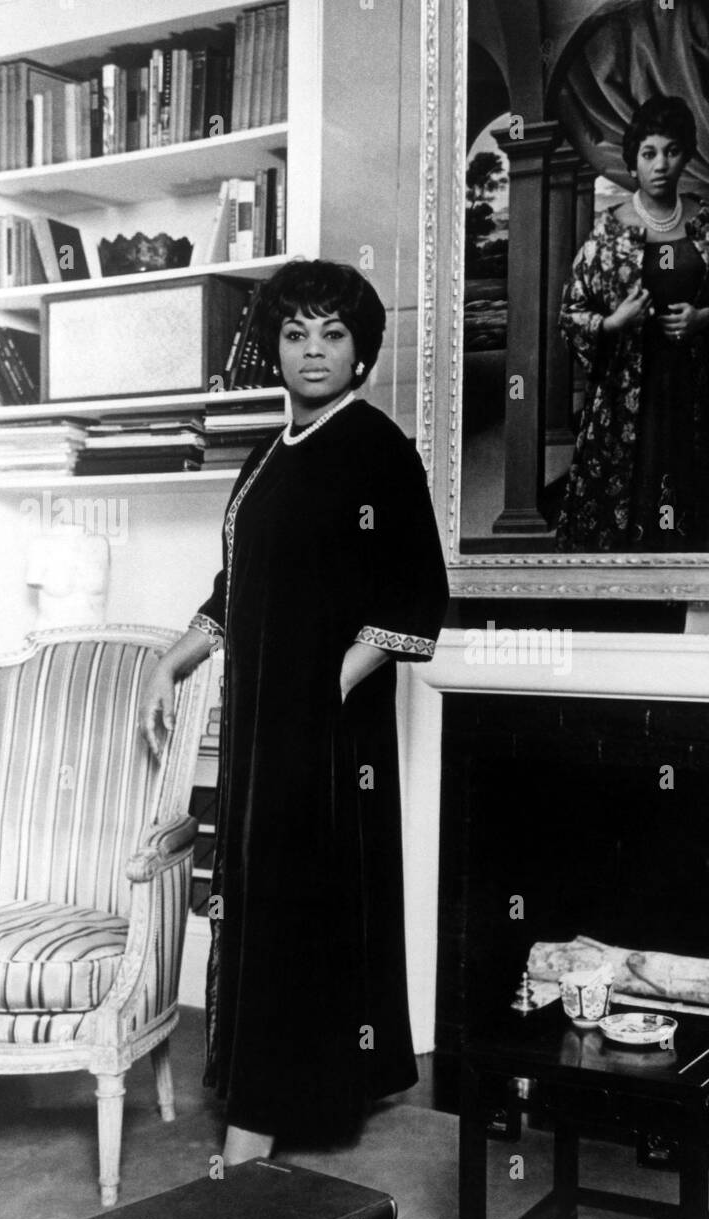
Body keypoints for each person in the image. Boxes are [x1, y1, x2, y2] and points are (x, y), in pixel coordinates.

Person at [139, 259, 449, 1165]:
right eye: (294, 333)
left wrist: (326, 691)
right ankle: (291, 1085)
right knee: (255, 901)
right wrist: (173, 660)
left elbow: (414, 600)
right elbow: (239, 584)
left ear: (360, 353)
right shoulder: (272, 450)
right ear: (273, 347)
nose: (312, 352)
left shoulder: (378, 449)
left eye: (333, 334)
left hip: (325, 732)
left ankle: (259, 1124)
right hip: (258, 720)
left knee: (292, 909)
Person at [556, 96, 709, 552]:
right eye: (649, 153)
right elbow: (571, 312)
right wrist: (613, 323)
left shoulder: (707, 223)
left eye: (671, 150)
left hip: (694, 386)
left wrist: (705, 317)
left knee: (693, 493)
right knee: (634, 493)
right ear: (634, 161)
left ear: (685, 155)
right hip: (625, 391)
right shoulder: (609, 230)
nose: (660, 164)